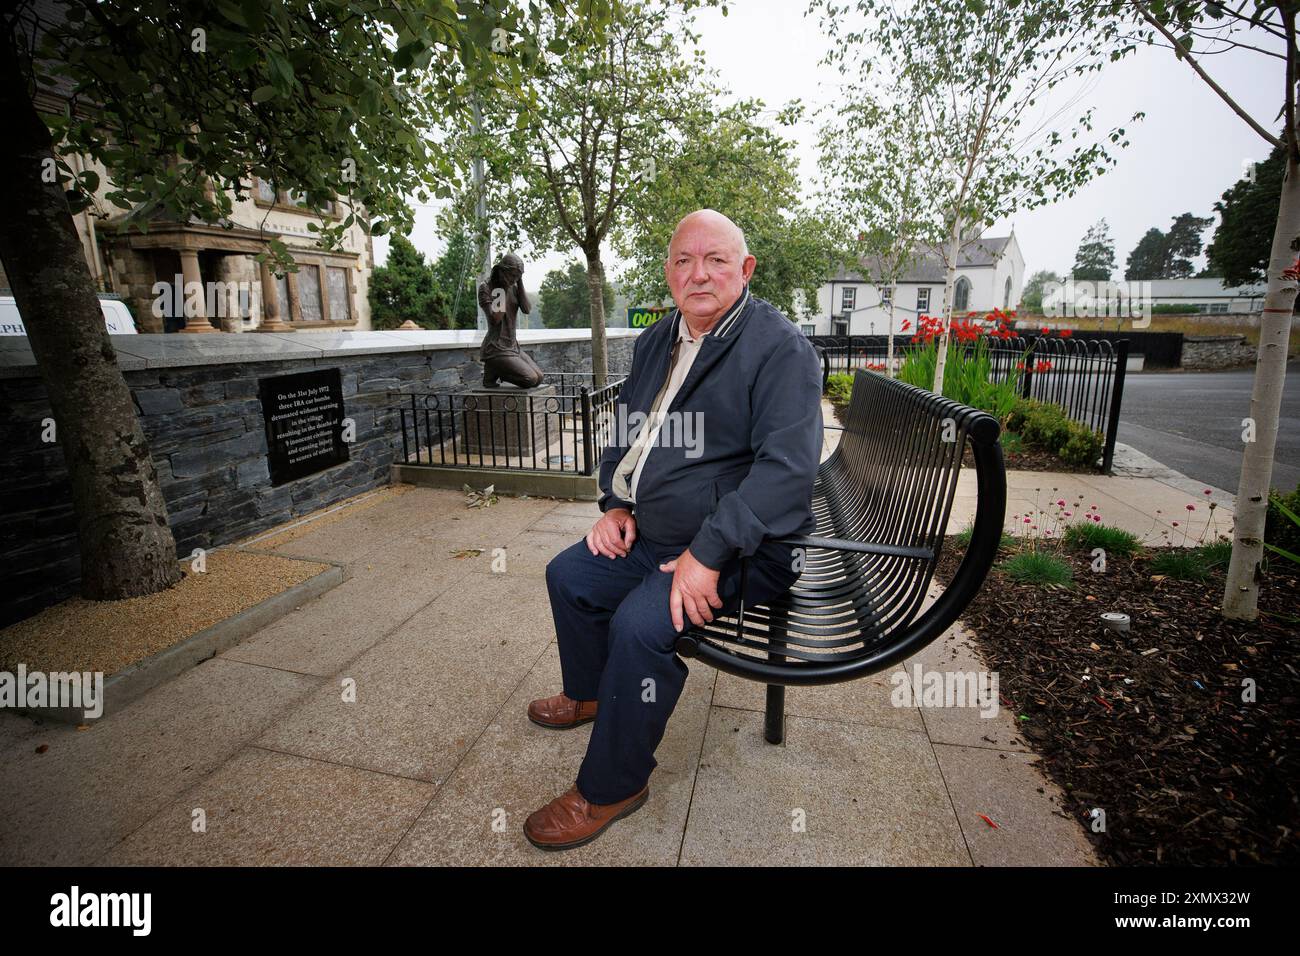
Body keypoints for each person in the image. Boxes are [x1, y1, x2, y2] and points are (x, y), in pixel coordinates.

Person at [524, 209, 824, 851]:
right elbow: (633, 432)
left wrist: (707, 552)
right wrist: (615, 503)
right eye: (684, 261)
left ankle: (613, 785)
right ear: (668, 273)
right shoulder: (657, 340)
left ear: (744, 270)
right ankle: (593, 696)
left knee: (639, 626)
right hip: (654, 533)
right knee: (568, 575)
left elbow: (787, 473)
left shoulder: (779, 349)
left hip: (748, 550)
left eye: (716, 260)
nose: (699, 274)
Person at [477, 252, 545, 388]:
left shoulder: (514, 287)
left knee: (539, 378)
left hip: (513, 346)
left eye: (517, 276)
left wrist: (520, 282)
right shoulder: (487, 288)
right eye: (512, 275)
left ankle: (494, 370)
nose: (514, 279)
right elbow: (495, 319)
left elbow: (526, 309)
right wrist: (501, 289)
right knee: (529, 379)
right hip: (496, 347)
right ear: (502, 271)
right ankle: (495, 369)